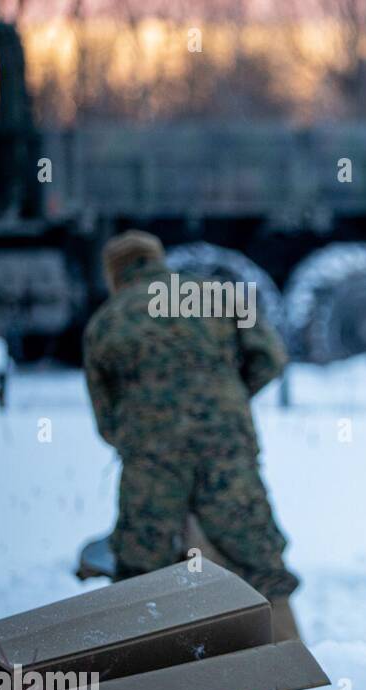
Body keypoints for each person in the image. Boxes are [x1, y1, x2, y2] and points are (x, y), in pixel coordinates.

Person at [84, 230, 303, 642]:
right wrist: (228, 400)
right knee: (257, 553)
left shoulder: (105, 322)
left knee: (139, 570)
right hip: (226, 443)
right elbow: (271, 358)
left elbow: (106, 419)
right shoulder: (217, 295)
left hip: (152, 457)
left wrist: (144, 432)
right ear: (157, 259)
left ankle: (142, 684)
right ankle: (290, 663)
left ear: (114, 273)